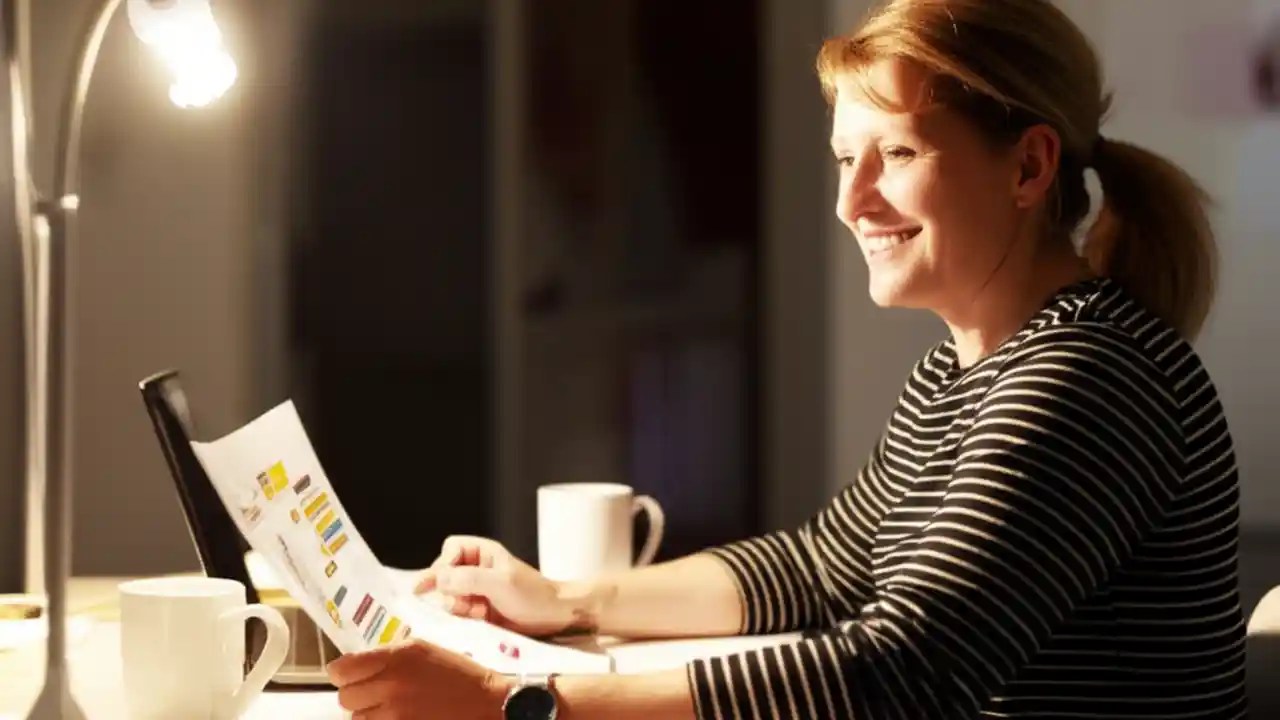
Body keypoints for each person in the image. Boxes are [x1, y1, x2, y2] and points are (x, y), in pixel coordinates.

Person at [325, 0, 1249, 717]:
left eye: (895, 152)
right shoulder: (963, 373)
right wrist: (566, 600)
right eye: (845, 158)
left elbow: (902, 675)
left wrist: (518, 703)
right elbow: (819, 568)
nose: (853, 202)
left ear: (1028, 167)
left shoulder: (1087, 375)